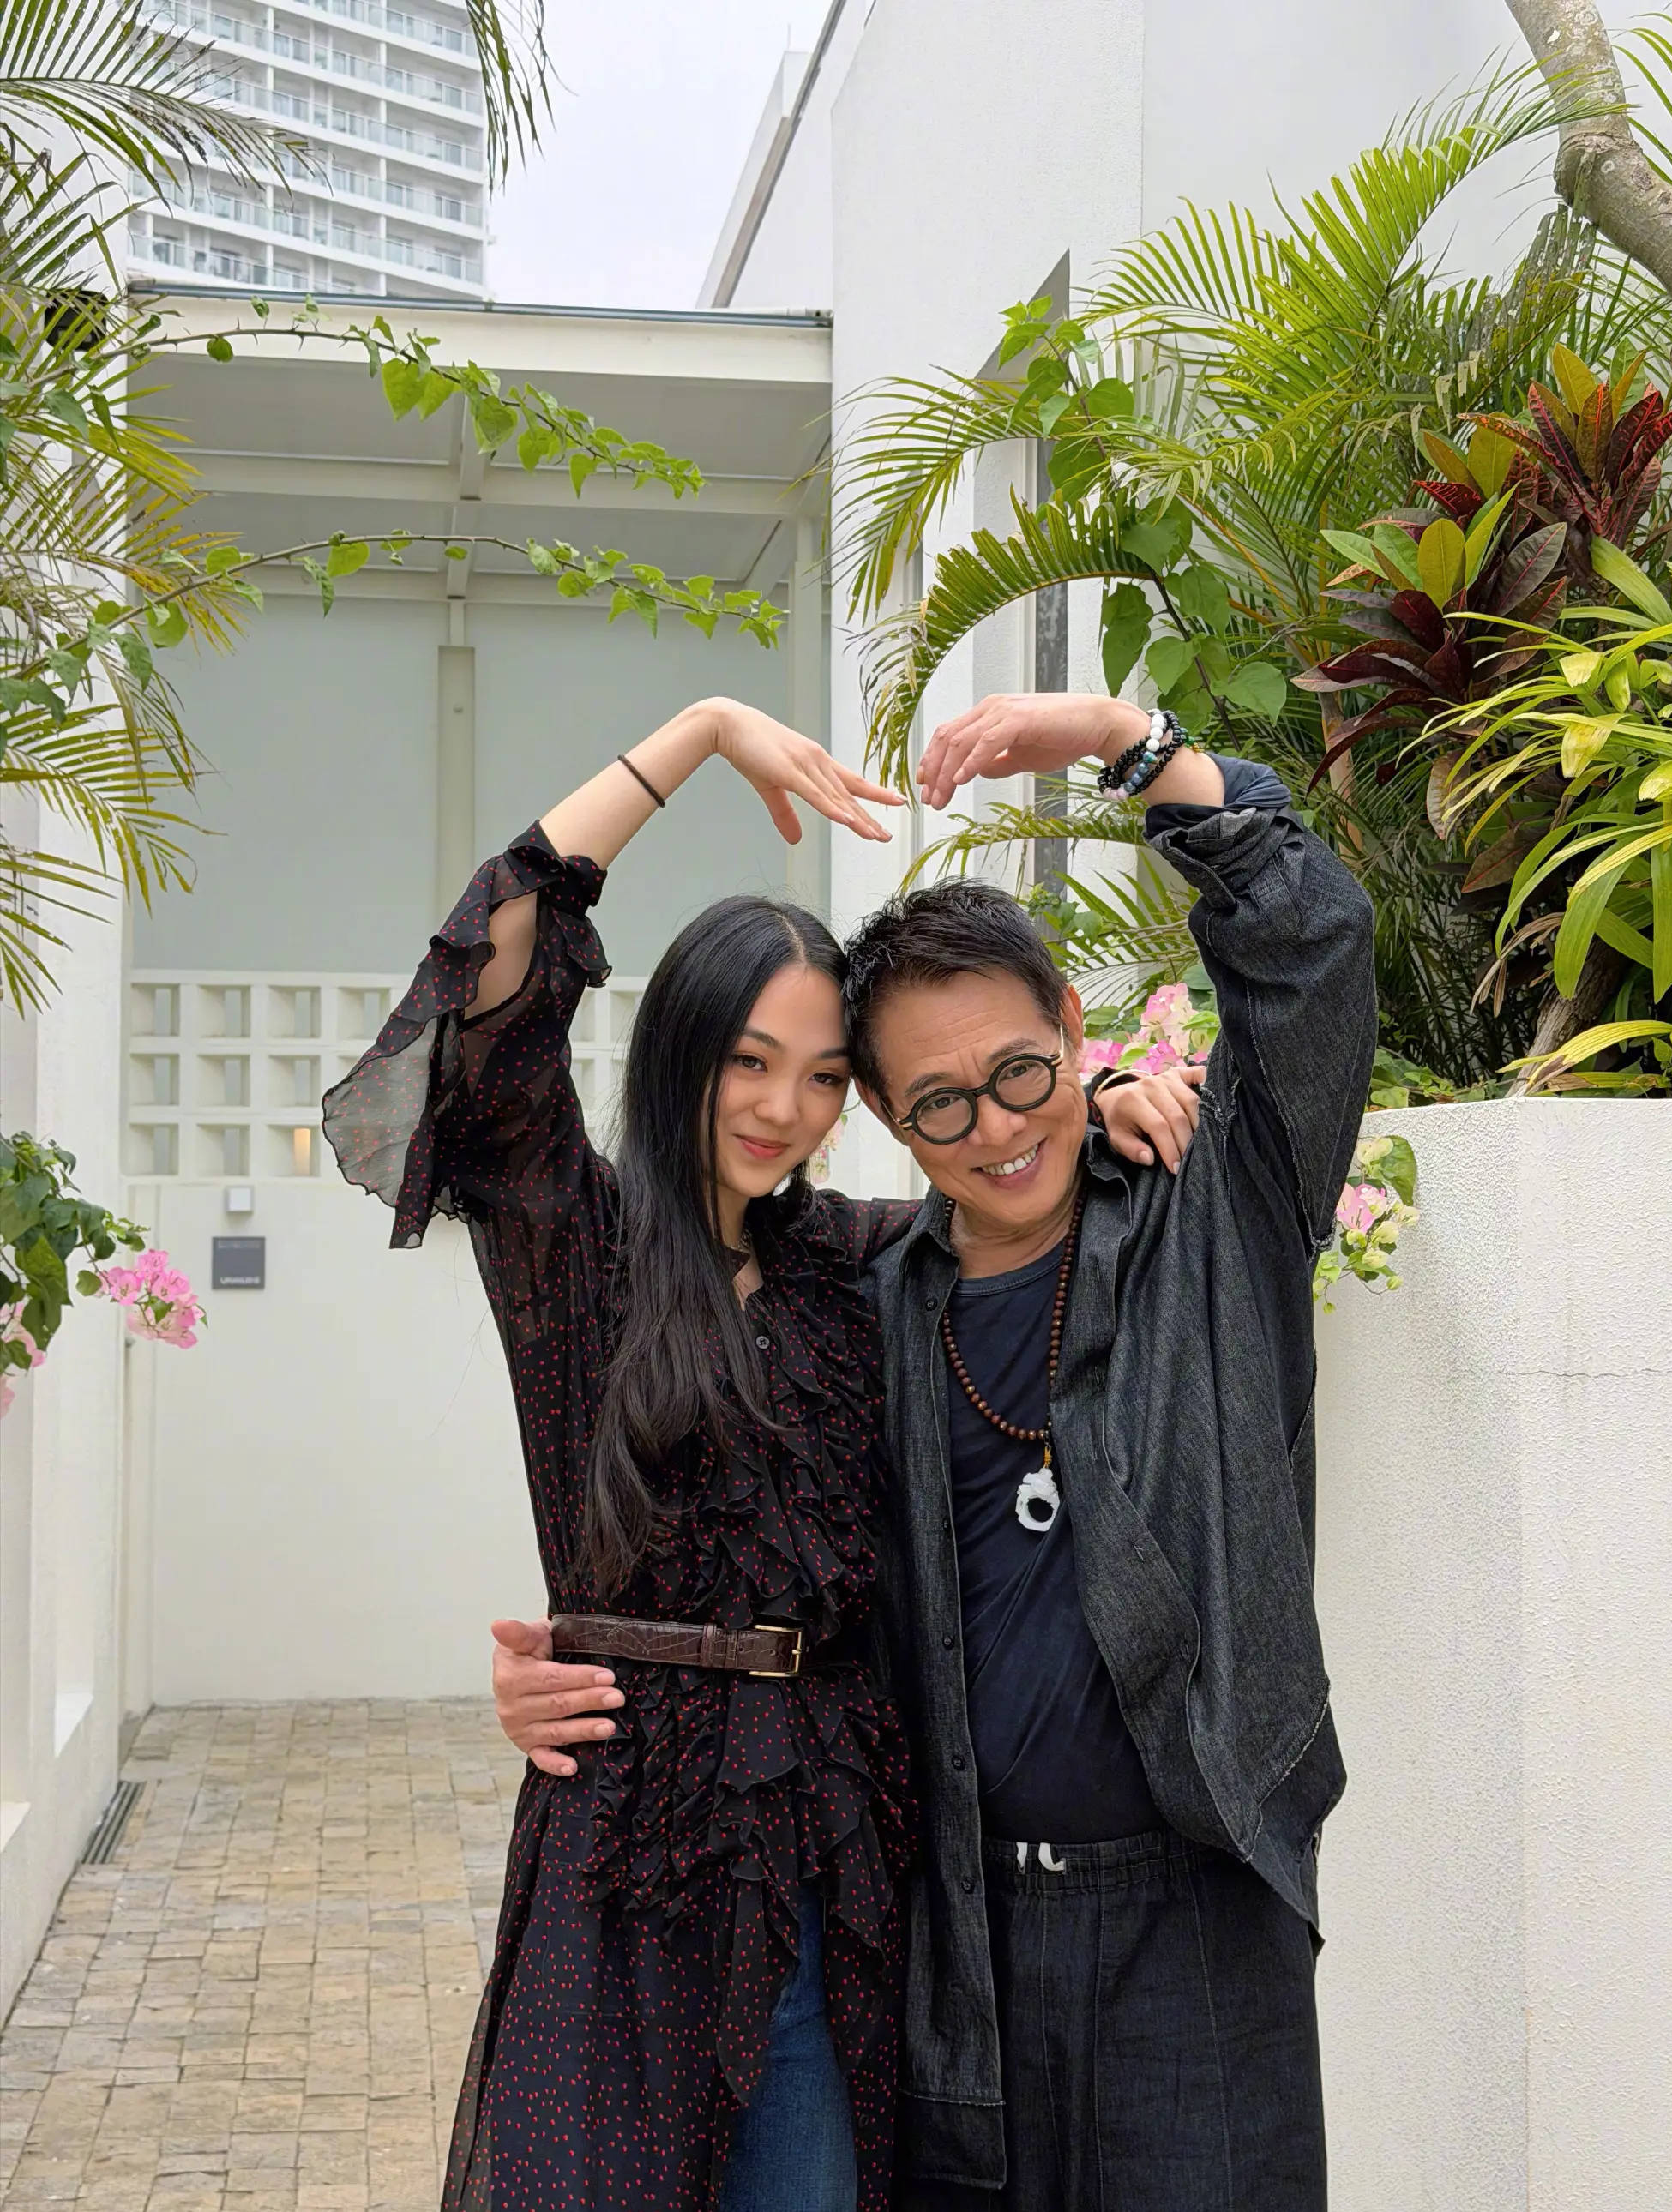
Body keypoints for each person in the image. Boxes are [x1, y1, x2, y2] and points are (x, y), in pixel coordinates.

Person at [494, 690, 1375, 2212]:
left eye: (1024, 1073)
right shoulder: (864, 1293)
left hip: (1195, 1919)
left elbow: (1310, 943)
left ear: (1076, 1034)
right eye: (940, 1102)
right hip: (946, 1937)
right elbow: (741, 1514)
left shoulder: (1215, 1213)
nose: (998, 1127)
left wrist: (1118, 733)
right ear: (894, 1124)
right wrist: (589, 1652)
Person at [323, 695, 1192, 2212]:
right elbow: (500, 962)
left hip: (833, 1850)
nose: (783, 1109)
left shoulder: (862, 1260)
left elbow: (1008, 1181)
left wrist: (1104, 1096)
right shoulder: (570, 1238)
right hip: (628, 1835)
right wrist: (704, 734)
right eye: (748, 1061)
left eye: (821, 1075)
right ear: (683, 1052)